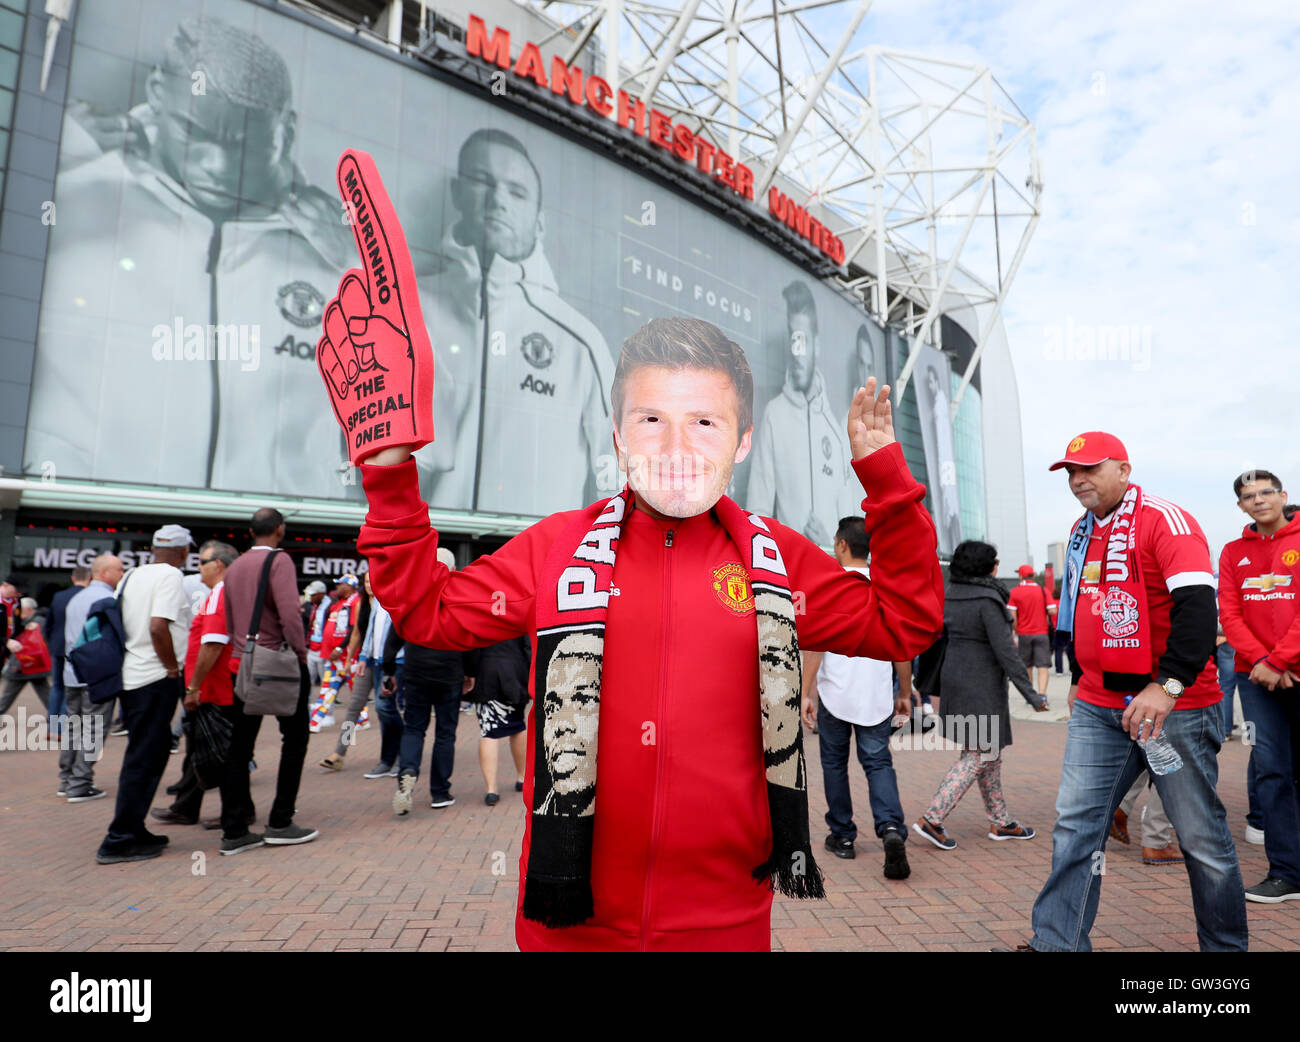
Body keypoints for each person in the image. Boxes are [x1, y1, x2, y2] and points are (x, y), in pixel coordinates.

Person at [324, 230, 944, 954]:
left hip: (725, 923)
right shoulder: (555, 548)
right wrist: (392, 469)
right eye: (652, 420)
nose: (677, 448)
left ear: (742, 442)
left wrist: (889, 491)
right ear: (619, 435)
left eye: (705, 423)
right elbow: (425, 608)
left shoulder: (779, 561)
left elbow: (905, 624)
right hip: (570, 919)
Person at [25, 17, 351, 497]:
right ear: (157, 90)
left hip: (275, 533)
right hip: (70, 508)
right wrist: (50, 158)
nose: (216, 165)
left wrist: (362, 269)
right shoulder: (69, 188)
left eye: (244, 145)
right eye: (193, 133)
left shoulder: (335, 247)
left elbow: (428, 414)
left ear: (286, 130)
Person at [1014, 431, 1246, 952]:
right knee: (1076, 828)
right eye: (1070, 472)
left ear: (1124, 469)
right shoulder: (1081, 531)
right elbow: (1078, 613)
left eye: (1090, 469)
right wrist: (1077, 679)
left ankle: (1227, 956)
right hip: (1100, 706)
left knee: (1201, 840)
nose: (1078, 481)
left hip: (1174, 708)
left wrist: (1165, 687)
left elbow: (1197, 611)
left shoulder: (1166, 520)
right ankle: (1058, 945)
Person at [417, 127, 614, 516]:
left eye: (517, 191)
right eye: (481, 181)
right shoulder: (407, 310)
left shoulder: (579, 341)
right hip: (433, 561)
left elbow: (618, 463)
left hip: (536, 569)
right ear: (458, 193)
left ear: (539, 223)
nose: (497, 201)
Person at [799, 516, 913, 878]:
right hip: (876, 694)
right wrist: (905, 692)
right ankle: (891, 828)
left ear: (843, 545)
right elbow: (902, 647)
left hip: (835, 693)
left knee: (834, 765)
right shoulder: (885, 589)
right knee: (878, 763)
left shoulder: (832, 585)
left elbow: (815, 644)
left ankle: (843, 836)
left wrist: (806, 692)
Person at [913, 541, 1045, 851]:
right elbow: (1006, 652)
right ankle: (932, 818)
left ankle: (1001, 821)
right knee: (979, 755)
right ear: (986, 567)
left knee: (988, 753)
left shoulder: (949, 594)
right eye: (994, 561)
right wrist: (1032, 695)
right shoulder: (987, 599)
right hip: (981, 686)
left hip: (955, 681)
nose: (997, 565)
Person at [1217, 468, 1300, 904]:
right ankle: (1287, 873)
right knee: (1272, 772)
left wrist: (1282, 658)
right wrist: (1265, 662)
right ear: (1241, 506)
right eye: (1249, 495)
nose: (1259, 499)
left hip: (1292, 667)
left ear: (1283, 496)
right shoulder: (1233, 552)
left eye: (1267, 492)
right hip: (1257, 677)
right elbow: (1229, 614)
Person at [219, 507, 318, 855]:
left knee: (240, 745)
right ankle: (280, 821)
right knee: (295, 739)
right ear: (279, 529)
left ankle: (234, 829)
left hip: (245, 661)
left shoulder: (235, 567)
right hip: (277, 659)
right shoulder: (279, 561)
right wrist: (301, 653)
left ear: (251, 532)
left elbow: (231, 618)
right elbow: (290, 612)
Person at [95, 525, 194, 864]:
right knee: (144, 758)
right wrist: (171, 668)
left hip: (132, 675)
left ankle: (132, 829)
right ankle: (120, 838)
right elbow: (157, 625)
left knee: (145, 755)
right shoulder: (169, 576)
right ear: (183, 552)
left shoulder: (132, 575)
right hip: (154, 677)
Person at [746, 280, 858, 545]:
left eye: (803, 341)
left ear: (816, 345)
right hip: (790, 575)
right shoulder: (774, 415)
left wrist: (831, 545)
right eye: (792, 339)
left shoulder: (836, 426)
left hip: (832, 574)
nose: (797, 353)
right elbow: (756, 512)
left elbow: (852, 521)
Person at [148, 541, 239, 826]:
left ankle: (234, 813)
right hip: (213, 687)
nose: (197, 566)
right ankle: (189, 807)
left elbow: (212, 644)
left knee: (219, 752)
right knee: (204, 749)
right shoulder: (220, 593)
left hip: (215, 688)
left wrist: (194, 687)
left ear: (219, 565)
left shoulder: (221, 594)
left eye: (202, 561)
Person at [384, 548, 478, 814]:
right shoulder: (459, 597)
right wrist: (471, 672)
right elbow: (470, 637)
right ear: (451, 569)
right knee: (445, 734)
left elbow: (394, 635)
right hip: (449, 672)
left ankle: (408, 773)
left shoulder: (411, 596)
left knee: (414, 728)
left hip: (415, 671)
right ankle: (439, 792)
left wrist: (389, 668)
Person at [59, 555, 123, 802]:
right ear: (104, 572)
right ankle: (80, 783)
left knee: (74, 726)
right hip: (96, 676)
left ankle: (67, 780)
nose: (122, 573)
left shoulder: (76, 598)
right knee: (94, 729)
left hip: (72, 673)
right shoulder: (108, 600)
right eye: (119, 569)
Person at [319, 572, 381, 770]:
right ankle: (339, 752)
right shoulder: (361, 604)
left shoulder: (388, 604)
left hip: (386, 664)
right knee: (353, 708)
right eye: (366, 581)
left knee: (385, 710)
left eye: (373, 581)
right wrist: (349, 660)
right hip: (365, 662)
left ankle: (393, 753)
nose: (370, 585)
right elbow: (356, 633)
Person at [473, 633, 531, 806]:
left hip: (486, 670)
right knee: (518, 725)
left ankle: (491, 789)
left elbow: (472, 643)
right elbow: (528, 646)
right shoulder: (518, 606)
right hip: (515, 671)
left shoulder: (481, 608)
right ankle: (522, 777)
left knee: (489, 730)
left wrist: (468, 672)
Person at [310, 574, 361, 732]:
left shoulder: (355, 602)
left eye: (341, 585)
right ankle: (315, 721)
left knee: (354, 691)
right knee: (328, 689)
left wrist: (340, 648)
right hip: (334, 655)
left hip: (345, 656)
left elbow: (354, 629)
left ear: (350, 587)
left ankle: (361, 720)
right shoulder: (339, 603)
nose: (338, 587)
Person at [45, 566, 91, 737]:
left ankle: (52, 727)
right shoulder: (86, 598)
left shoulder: (59, 596)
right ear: (89, 579)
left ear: (73, 578)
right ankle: (62, 729)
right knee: (70, 688)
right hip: (76, 649)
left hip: (58, 647)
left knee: (57, 687)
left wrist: (52, 644)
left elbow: (49, 625)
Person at [1007, 564, 1055, 699]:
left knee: (1027, 665)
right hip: (1042, 633)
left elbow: (1012, 617)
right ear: (1033, 576)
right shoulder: (1043, 590)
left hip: (1024, 634)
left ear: (1021, 576)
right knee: (1043, 665)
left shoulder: (1014, 592)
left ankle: (1031, 695)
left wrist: (1017, 630)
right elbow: (1053, 610)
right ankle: (1042, 694)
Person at [0, 598, 52, 715]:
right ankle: (58, 720)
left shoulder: (35, 623)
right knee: (47, 696)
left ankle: (58, 720)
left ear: (28, 609)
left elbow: (29, 647)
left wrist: (16, 665)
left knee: (7, 697)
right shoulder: (33, 622)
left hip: (25, 666)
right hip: (36, 667)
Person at [305, 582, 332, 688]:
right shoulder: (315, 606)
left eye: (313, 595)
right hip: (312, 647)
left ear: (321, 594)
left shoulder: (330, 606)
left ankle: (327, 703)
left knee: (325, 680)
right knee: (308, 678)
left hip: (323, 648)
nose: (310, 597)